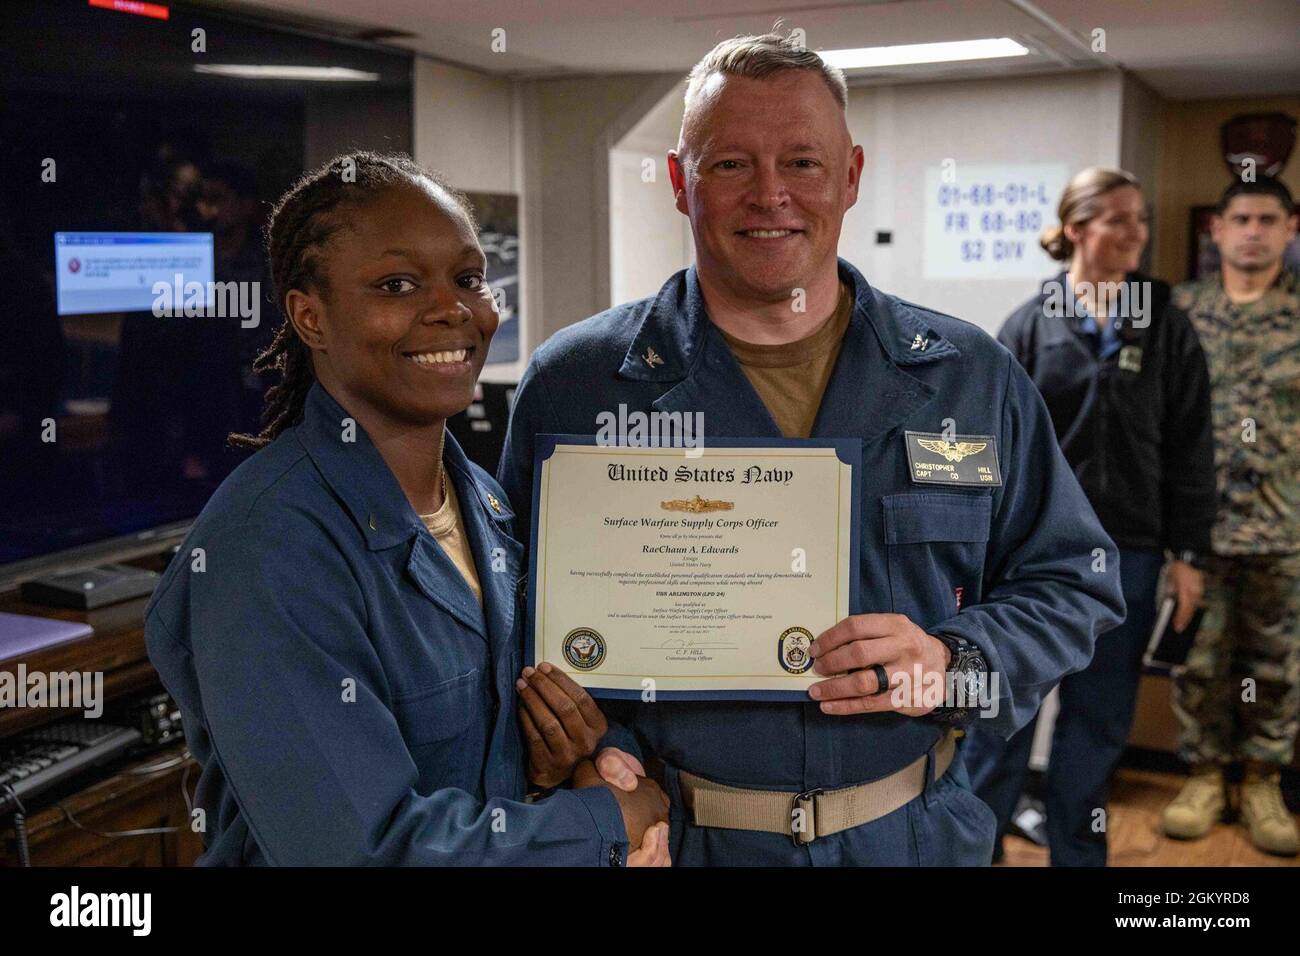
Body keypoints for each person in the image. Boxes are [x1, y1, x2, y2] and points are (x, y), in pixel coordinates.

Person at [498, 33, 1126, 866]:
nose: (771, 196)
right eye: (730, 165)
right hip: (675, 842)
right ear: (681, 184)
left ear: (851, 176)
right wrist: (586, 755)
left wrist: (951, 662)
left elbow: (1073, 585)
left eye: (803, 163)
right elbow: (512, 618)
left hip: (915, 835)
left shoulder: (968, 376)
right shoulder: (577, 383)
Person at [144, 152, 669, 865]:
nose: (452, 309)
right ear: (310, 316)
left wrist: (578, 765)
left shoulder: (485, 504)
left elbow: (492, 754)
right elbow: (364, 853)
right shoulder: (267, 549)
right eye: (397, 284)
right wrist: (603, 820)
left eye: (469, 279)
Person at [960, 167, 1216, 866]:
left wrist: (1189, 555)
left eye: (1141, 218)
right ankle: (979, 851)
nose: (1138, 233)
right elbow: (990, 448)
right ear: (1077, 229)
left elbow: (1193, 442)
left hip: (1128, 557)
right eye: (1120, 219)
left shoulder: (1162, 323)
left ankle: (1079, 856)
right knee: (1000, 721)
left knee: (1096, 728)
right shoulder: (1028, 325)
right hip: (1027, 561)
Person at [1163, 176, 1300, 856]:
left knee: (1276, 662)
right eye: (1240, 218)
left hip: (1286, 528)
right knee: (1199, 660)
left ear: (1290, 228)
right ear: (1216, 230)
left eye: (1267, 219)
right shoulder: (1179, 312)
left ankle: (1264, 780)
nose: (1254, 230)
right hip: (1200, 529)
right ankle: (1206, 775)